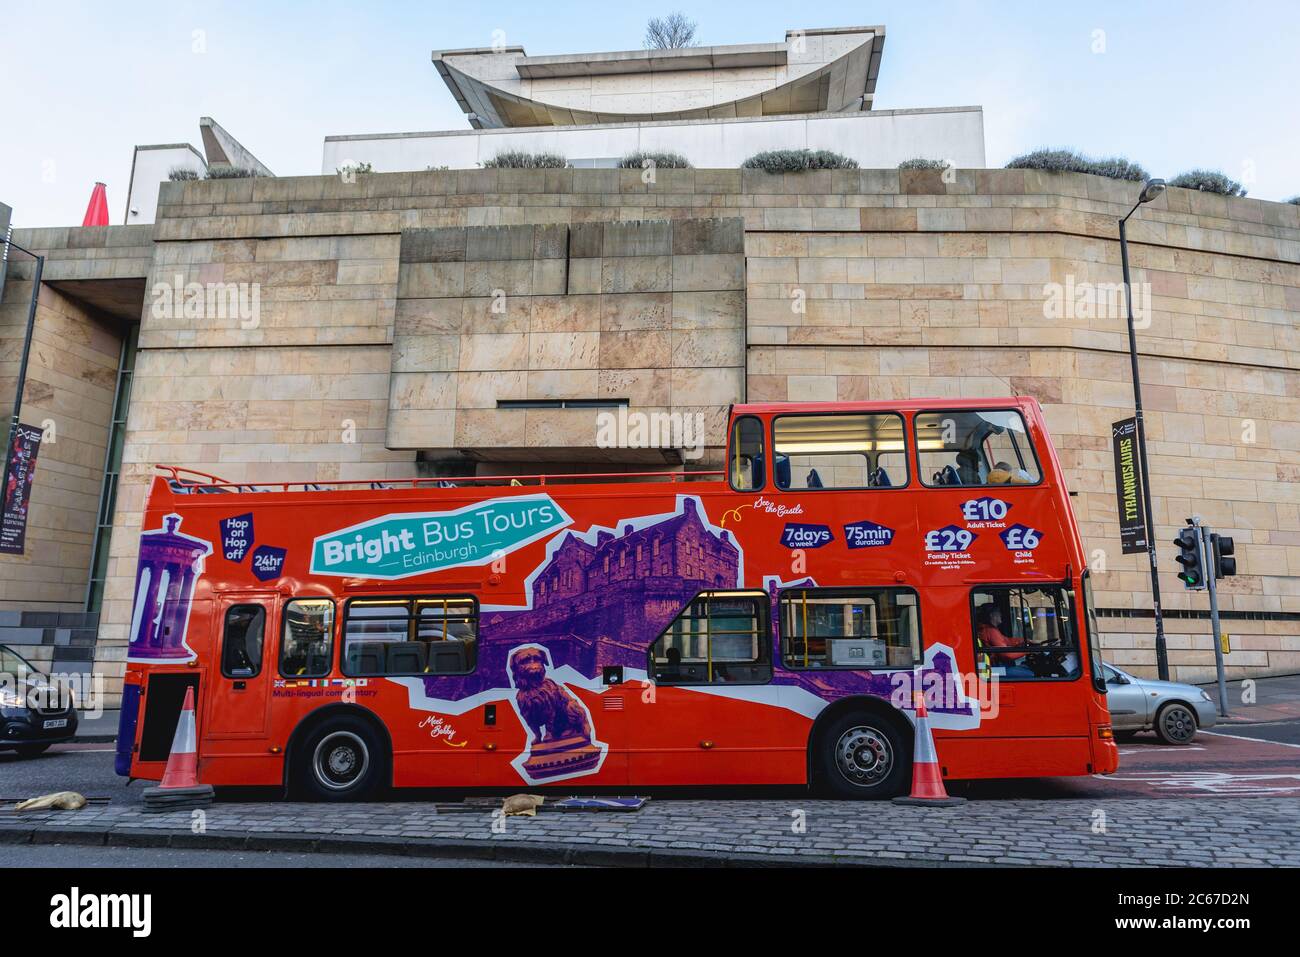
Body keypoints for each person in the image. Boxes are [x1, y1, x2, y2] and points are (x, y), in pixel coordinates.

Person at [976, 604, 1035, 678]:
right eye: (998, 612)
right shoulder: (991, 631)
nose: (1001, 614)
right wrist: (1028, 651)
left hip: (994, 668)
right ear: (992, 615)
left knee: (1024, 668)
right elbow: (1007, 655)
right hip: (997, 668)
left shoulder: (986, 629)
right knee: (1032, 674)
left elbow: (1007, 640)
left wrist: (1025, 640)